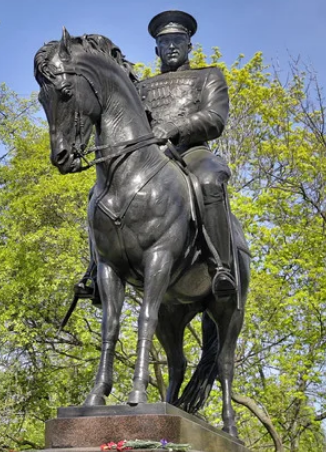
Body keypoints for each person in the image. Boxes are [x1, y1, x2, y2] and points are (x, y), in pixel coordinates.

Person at [72, 10, 239, 305]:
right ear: (156, 49)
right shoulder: (142, 88)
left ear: (189, 45)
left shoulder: (208, 76)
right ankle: (96, 270)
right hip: (153, 160)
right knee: (97, 195)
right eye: (165, 42)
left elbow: (215, 118)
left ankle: (221, 267)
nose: (171, 47)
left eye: (177, 40)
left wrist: (176, 127)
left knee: (211, 181)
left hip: (193, 152)